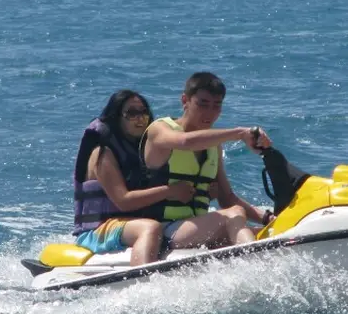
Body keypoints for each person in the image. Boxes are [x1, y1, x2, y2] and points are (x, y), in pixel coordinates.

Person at [141, 72, 273, 249]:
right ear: (185, 100)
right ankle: (256, 260)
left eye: (216, 106)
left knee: (268, 233)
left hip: (198, 228)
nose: (210, 113)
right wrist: (240, 133)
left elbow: (227, 198)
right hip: (162, 230)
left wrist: (268, 218)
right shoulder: (160, 129)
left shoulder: (213, 146)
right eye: (202, 104)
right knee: (233, 214)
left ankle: (256, 254)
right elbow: (185, 142)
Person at [73, 90, 195, 266]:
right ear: (116, 117)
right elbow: (123, 201)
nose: (140, 118)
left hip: (129, 224)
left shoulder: (143, 152)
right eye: (132, 113)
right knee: (150, 227)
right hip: (98, 230)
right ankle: (144, 278)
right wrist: (171, 191)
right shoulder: (102, 153)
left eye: (144, 112)